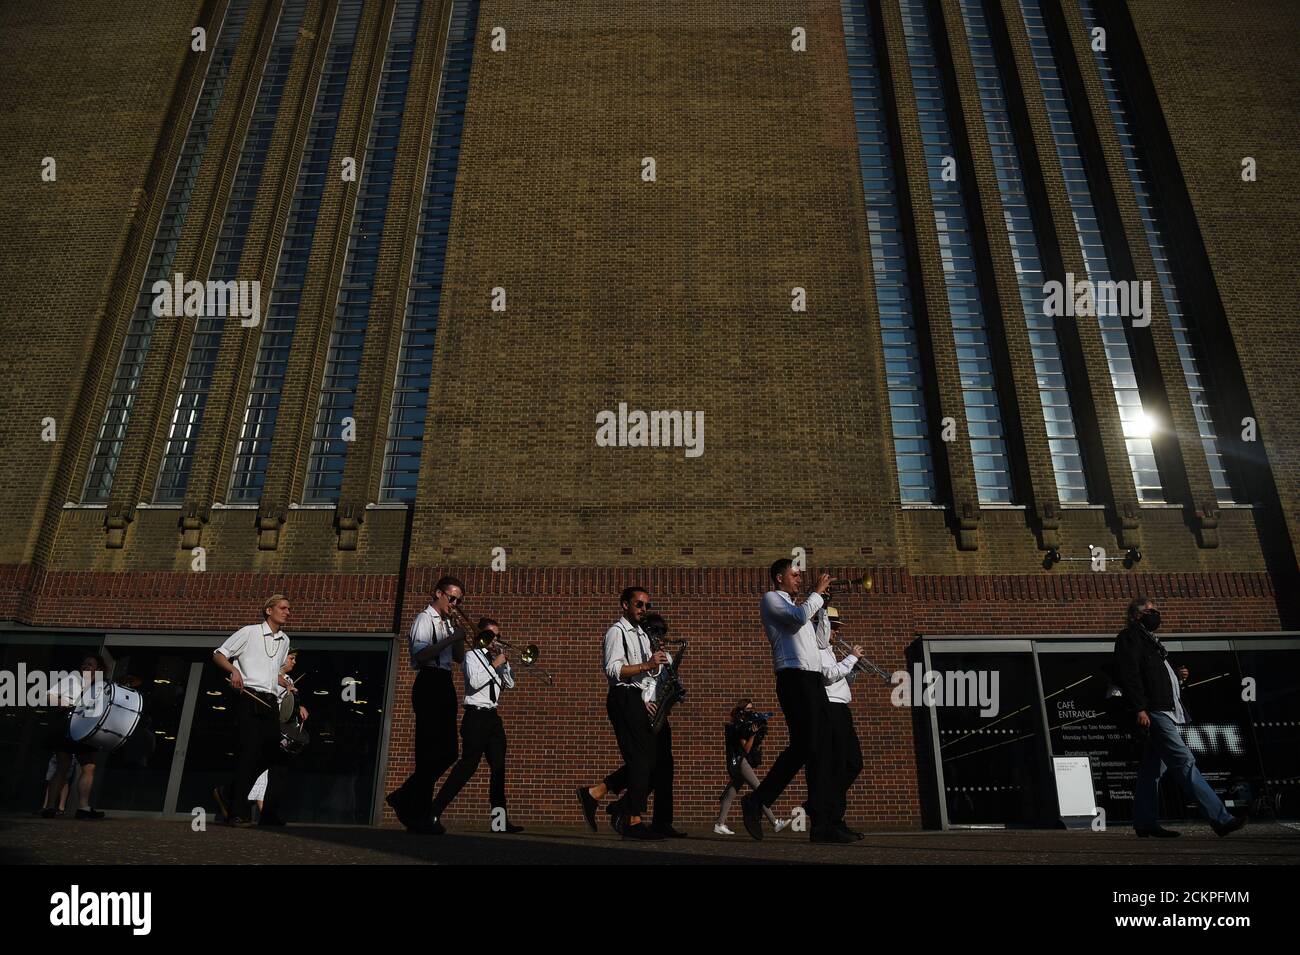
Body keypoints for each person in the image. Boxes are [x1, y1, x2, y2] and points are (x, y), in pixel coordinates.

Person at [1109, 596, 1246, 838]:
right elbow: (1129, 674)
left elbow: (1152, 674)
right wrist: (1140, 708)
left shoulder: (1153, 642)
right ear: (1137, 615)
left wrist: (1176, 675)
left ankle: (1144, 822)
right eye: (1151, 610)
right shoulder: (1130, 637)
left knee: (1151, 771)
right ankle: (1220, 818)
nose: (1156, 613)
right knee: (1184, 761)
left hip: (1166, 710)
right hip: (1155, 711)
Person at [742, 561, 852, 843]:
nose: (799, 579)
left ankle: (821, 824)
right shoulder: (772, 600)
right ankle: (758, 801)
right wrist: (816, 594)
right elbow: (798, 617)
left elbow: (821, 642)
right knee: (807, 746)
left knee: (819, 750)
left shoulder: (802, 605)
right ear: (779, 578)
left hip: (813, 681)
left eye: (800, 576)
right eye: (794, 575)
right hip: (793, 678)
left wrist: (824, 607)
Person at [574, 587, 675, 840]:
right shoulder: (616, 632)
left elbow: (648, 674)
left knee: (652, 761)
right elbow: (613, 670)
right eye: (638, 605)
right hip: (622, 697)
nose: (643, 610)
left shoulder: (643, 634)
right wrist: (648, 664)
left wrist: (659, 664)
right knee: (641, 759)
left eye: (646, 606)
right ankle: (632, 821)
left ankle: (596, 793)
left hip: (638, 698)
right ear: (625, 606)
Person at [386, 576, 472, 834]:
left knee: (448, 752)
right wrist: (448, 638)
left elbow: (457, 657)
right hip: (428, 682)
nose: (455, 604)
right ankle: (419, 814)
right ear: (438, 594)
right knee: (428, 753)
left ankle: (404, 796)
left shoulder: (447, 622)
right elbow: (420, 655)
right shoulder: (424, 619)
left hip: (445, 682)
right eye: (452, 598)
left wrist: (457, 636)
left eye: (459, 600)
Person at [428, 617, 524, 833]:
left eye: (498, 636)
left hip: (493, 718)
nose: (495, 640)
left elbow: (509, 684)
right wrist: (494, 664)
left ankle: (499, 823)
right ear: (480, 635)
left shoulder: (494, 658)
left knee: (498, 769)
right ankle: (433, 812)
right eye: (491, 635)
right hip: (475, 717)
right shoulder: (472, 657)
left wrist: (504, 664)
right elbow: (474, 682)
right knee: (467, 766)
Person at [211, 595, 295, 827]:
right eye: (283, 608)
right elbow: (219, 654)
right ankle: (236, 813)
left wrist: (286, 684)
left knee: (275, 756)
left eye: (289, 609)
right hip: (248, 699)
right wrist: (233, 671)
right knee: (248, 754)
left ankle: (246, 802)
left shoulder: (285, 640)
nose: (288, 612)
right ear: (269, 610)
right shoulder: (249, 632)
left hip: (270, 703)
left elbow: (272, 672)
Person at [817, 607, 865, 840]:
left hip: (841, 708)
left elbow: (839, 680)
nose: (836, 633)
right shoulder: (818, 649)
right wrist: (852, 657)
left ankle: (826, 805)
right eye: (833, 627)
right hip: (831, 709)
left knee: (853, 764)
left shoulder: (830, 650)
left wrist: (852, 668)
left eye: (836, 628)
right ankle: (832, 817)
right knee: (841, 765)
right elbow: (828, 676)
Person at [41, 653, 107, 820]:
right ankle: (50, 808)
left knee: (88, 766)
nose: (85, 666)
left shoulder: (101, 686)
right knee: (64, 765)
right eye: (84, 664)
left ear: (98, 669)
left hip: (85, 727)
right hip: (67, 723)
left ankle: (83, 808)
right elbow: (49, 696)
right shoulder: (72, 678)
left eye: (90, 664)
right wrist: (62, 702)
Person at [248, 649, 307, 824]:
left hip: (281, 730)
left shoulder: (289, 680)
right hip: (269, 728)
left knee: (277, 770)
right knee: (265, 768)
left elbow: (289, 707)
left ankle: (268, 814)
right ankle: (231, 795)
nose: (294, 662)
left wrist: (299, 707)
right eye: (291, 658)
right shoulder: (268, 675)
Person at [714, 699, 789, 835]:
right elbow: (746, 749)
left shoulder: (744, 724)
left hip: (739, 762)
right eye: (748, 709)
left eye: (752, 708)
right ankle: (775, 822)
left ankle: (720, 823)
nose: (751, 711)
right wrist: (753, 735)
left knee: (731, 793)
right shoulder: (738, 726)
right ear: (742, 711)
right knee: (760, 790)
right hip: (741, 762)